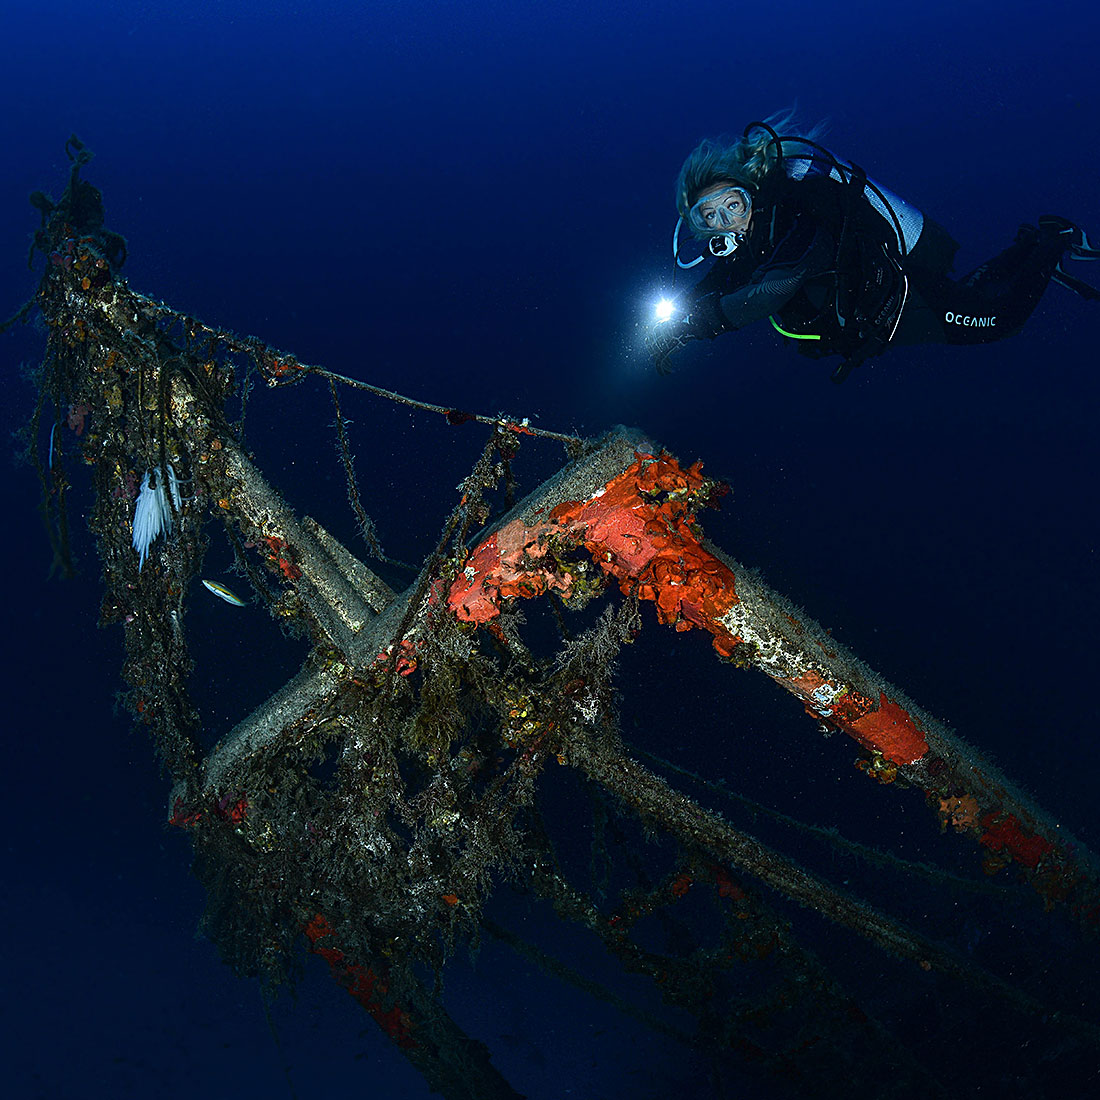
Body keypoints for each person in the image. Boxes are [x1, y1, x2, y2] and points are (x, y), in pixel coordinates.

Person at [650, 115, 1100, 381]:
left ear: (754, 196)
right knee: (973, 298)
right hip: (880, 314)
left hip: (900, 301)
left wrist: (692, 327)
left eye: (733, 204)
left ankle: (1056, 241)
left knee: (1001, 321)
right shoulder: (750, 244)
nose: (728, 222)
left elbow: (773, 290)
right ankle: (1031, 243)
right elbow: (719, 281)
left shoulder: (799, 218)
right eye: (710, 217)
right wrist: (668, 325)